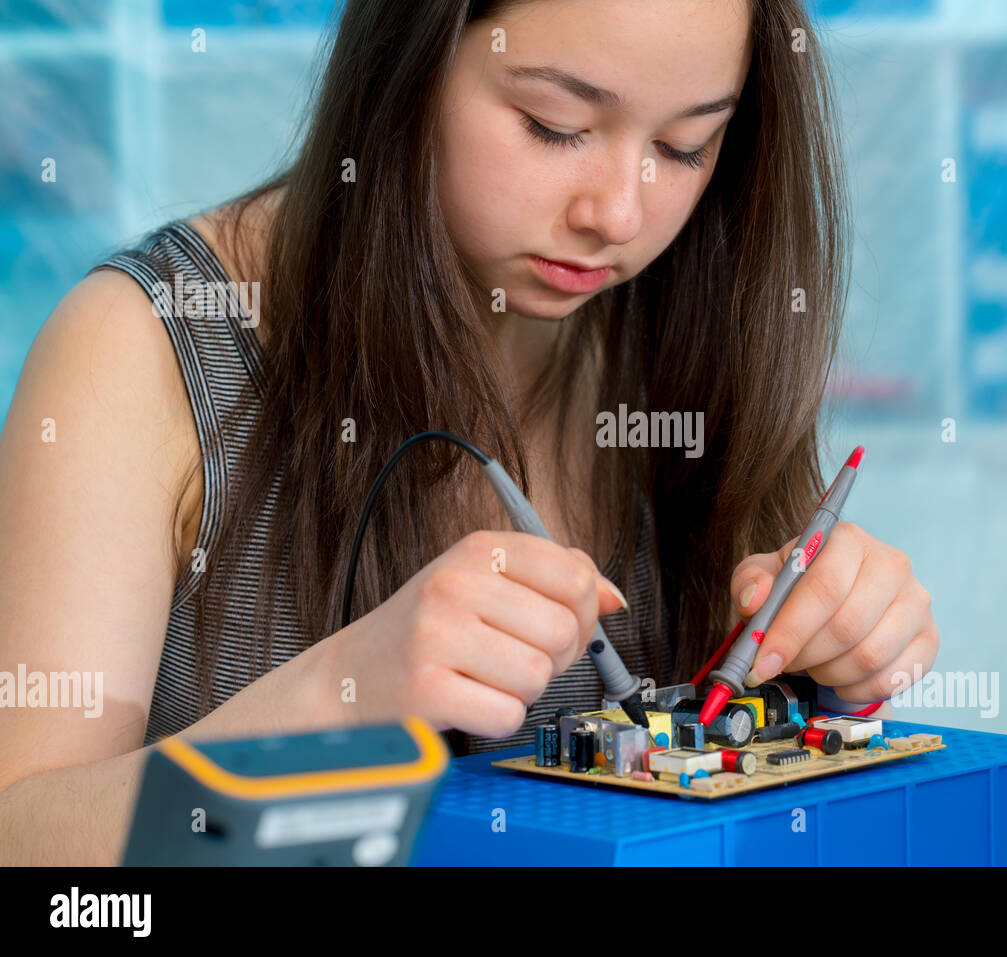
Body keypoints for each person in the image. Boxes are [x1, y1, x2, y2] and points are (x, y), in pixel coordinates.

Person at [0, 0, 937, 865]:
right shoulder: (148, 344)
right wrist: (339, 695)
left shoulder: (686, 333)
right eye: (553, 126)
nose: (617, 213)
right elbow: (20, 839)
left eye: (686, 145)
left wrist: (832, 686)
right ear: (414, 53)